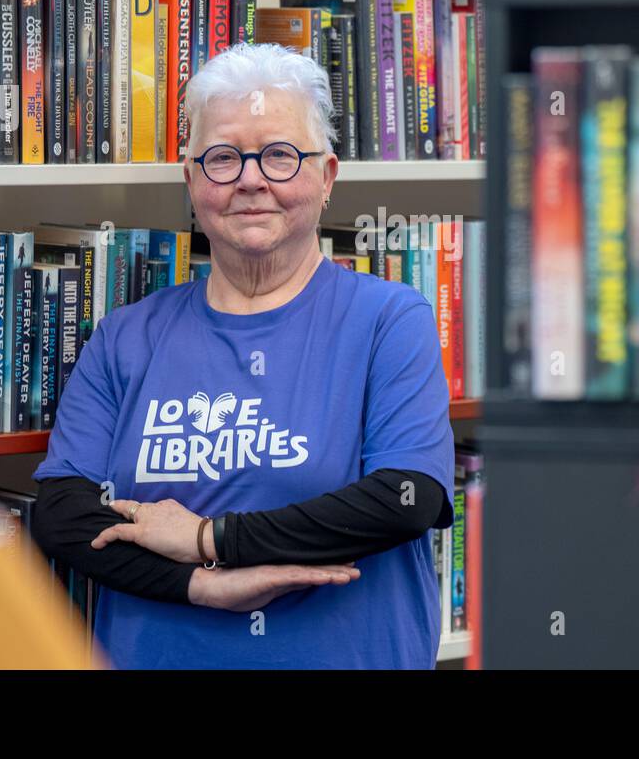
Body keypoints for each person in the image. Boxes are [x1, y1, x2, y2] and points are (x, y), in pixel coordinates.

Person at [31, 42, 456, 669]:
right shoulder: (125, 336)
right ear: (192, 181)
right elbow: (62, 516)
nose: (251, 179)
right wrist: (202, 584)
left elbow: (406, 498)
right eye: (223, 158)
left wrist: (210, 538)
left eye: (281, 156)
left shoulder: (390, 321)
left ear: (327, 177)